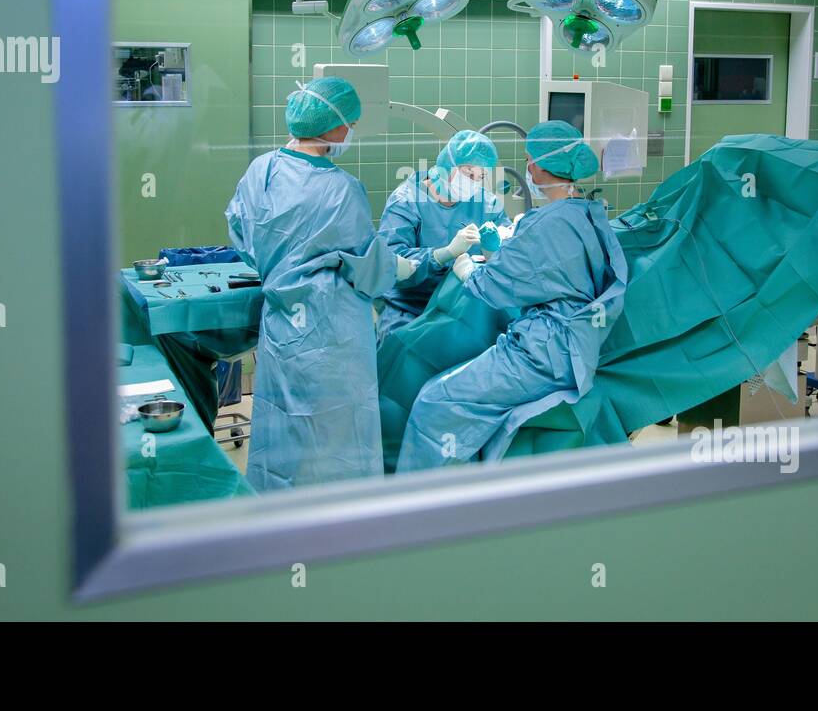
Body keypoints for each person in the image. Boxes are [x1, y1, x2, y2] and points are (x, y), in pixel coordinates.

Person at [395, 120, 628, 471]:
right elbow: (390, 264)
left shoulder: (545, 223)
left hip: (541, 349)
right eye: (467, 173)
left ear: (540, 165)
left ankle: (421, 511)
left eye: (530, 159)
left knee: (434, 399)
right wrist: (459, 253)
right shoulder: (589, 213)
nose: (527, 166)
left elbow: (494, 284)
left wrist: (469, 267)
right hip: (569, 342)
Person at [225, 76, 406, 491]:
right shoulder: (341, 190)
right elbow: (370, 271)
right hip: (332, 333)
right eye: (351, 123)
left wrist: (281, 267)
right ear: (335, 126)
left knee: (283, 429)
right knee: (338, 434)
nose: (351, 132)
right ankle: (341, 528)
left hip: (282, 327)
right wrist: (406, 268)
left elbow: (240, 231)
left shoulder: (262, 170)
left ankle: (282, 522)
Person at [375, 130, 510, 344]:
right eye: (468, 173)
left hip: (465, 310)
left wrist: (494, 248)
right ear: (448, 165)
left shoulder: (487, 204)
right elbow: (389, 263)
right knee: (402, 359)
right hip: (411, 309)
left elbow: (510, 254)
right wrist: (444, 254)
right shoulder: (407, 201)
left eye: (481, 176)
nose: (474, 182)